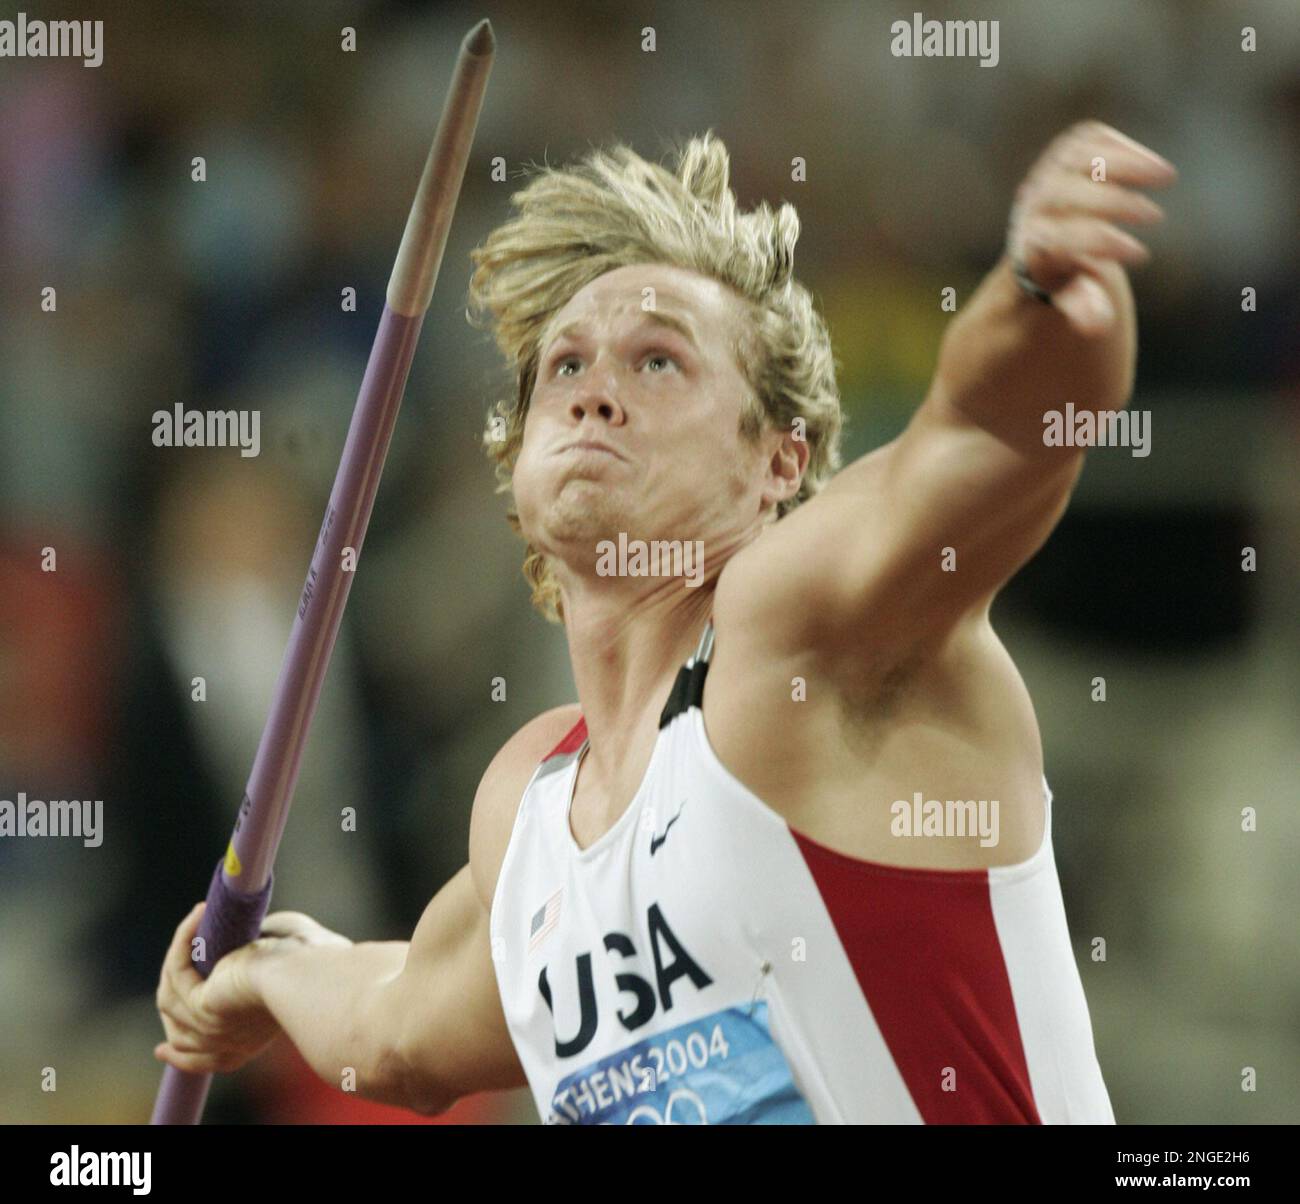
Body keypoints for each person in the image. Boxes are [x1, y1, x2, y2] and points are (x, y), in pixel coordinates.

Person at [156, 123, 1177, 1124]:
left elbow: (996, 432)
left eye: (657, 362)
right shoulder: (531, 809)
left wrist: (1039, 289)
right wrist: (258, 972)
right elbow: (399, 1029)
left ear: (779, 459)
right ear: (517, 459)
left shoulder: (798, 638)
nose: (596, 394)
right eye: (566, 367)